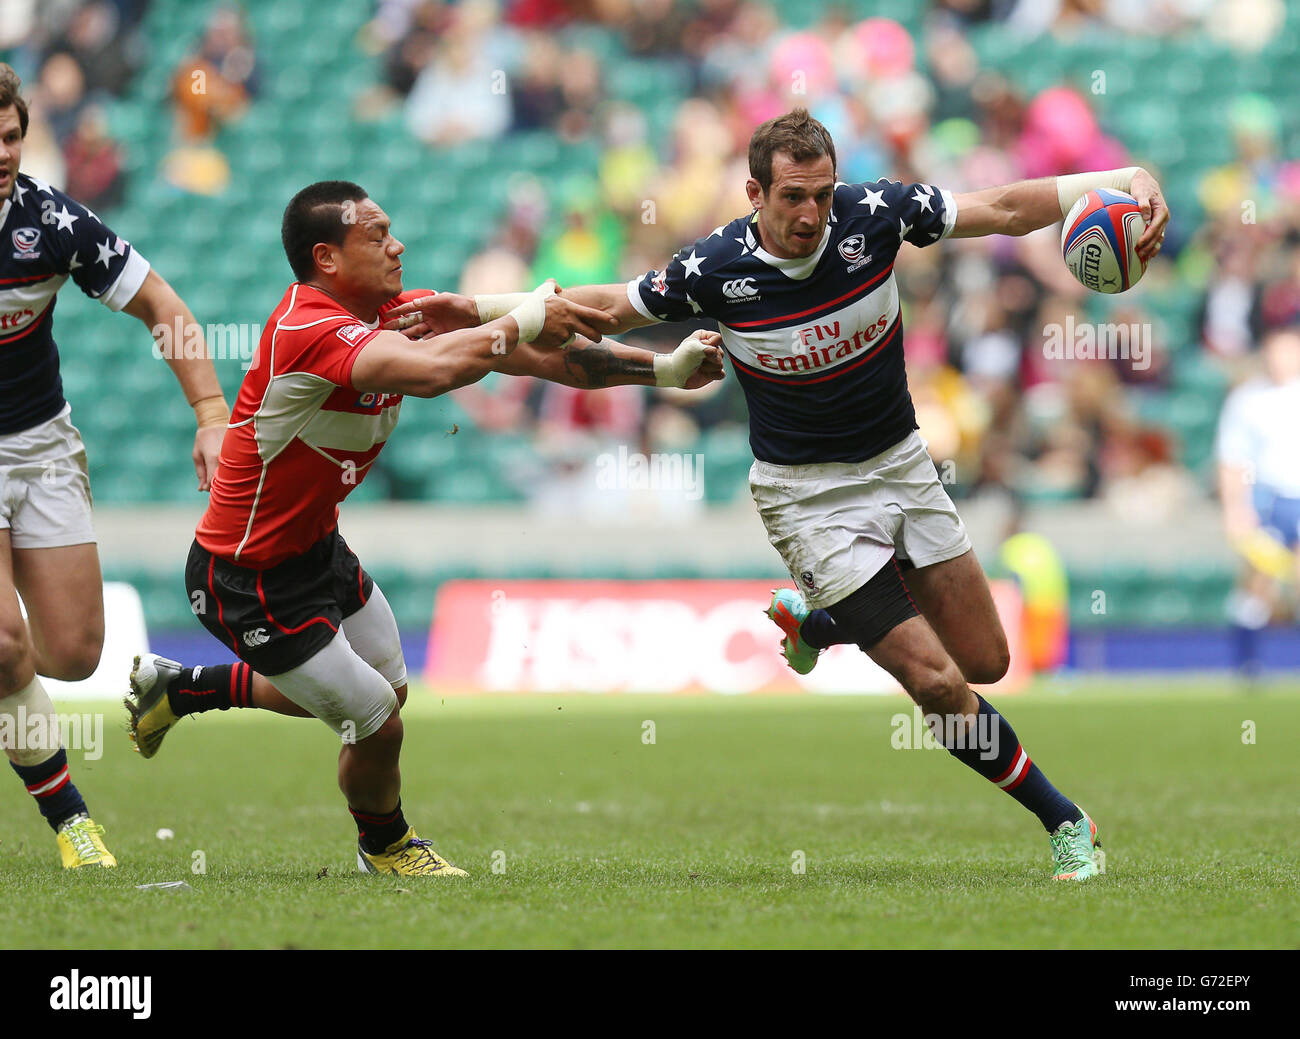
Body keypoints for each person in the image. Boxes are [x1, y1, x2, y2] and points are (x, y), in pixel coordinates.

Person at [391, 108, 1171, 881]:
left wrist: (1121, 180)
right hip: (806, 498)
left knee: (987, 660)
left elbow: (1001, 207)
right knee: (937, 681)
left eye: (823, 195)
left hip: (901, 464)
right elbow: (603, 306)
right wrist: (478, 310)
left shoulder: (878, 215)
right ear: (754, 193)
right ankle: (1065, 819)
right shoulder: (714, 268)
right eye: (793, 196)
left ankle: (822, 622)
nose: (811, 214)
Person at [125, 180, 724, 878]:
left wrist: (664, 368)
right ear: (326, 258)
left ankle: (185, 689)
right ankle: (385, 846)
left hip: (315, 548)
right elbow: (441, 371)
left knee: (384, 691)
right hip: (245, 575)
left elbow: (546, 355)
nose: (397, 244)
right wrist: (519, 314)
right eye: (377, 235)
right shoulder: (305, 328)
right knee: (377, 719)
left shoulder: (393, 311)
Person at [0, 64, 228, 869]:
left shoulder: (54, 222)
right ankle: (71, 821)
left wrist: (208, 413)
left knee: (71, 653)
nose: (1, 152)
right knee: (3, 646)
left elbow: (161, 304)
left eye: (11, 136)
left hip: (39, 446)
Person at [1215, 325, 1300, 678]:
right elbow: (1231, 459)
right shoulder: (1248, 399)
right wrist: (1235, 508)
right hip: (1268, 498)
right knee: (1258, 583)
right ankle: (1246, 664)